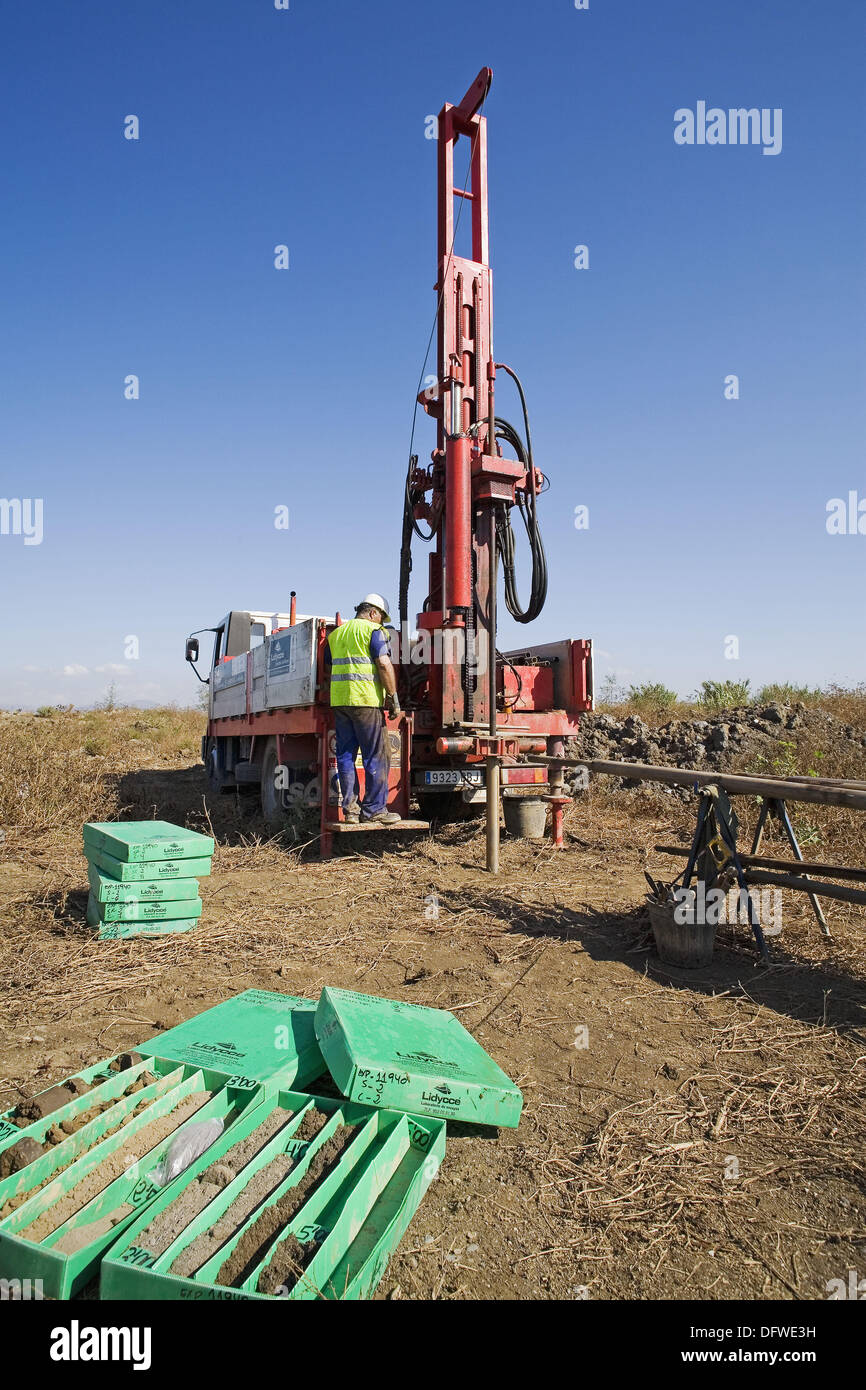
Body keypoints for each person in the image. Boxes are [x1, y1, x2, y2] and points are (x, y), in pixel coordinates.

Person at [326, 594, 402, 824]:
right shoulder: (373, 631)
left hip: (340, 701)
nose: (381, 622)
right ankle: (374, 810)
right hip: (366, 700)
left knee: (346, 756)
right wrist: (393, 696)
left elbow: (331, 663)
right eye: (380, 617)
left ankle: (351, 810)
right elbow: (383, 663)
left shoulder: (337, 634)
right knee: (376, 755)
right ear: (372, 613)